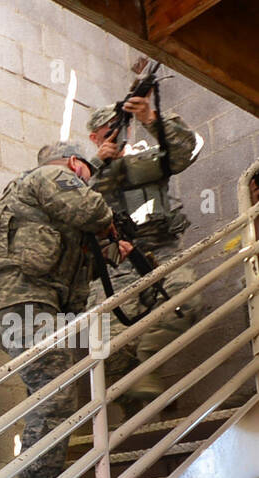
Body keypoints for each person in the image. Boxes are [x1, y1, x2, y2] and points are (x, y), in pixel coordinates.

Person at [0, 142, 130, 478]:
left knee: (49, 386)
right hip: (19, 300)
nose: (88, 183)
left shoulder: (46, 208)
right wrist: (108, 221)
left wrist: (107, 251)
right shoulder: (52, 176)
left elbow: (72, 270)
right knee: (57, 385)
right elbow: (89, 208)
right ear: (76, 163)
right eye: (87, 174)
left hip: (19, 303)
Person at [86, 95, 202, 414]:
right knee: (112, 346)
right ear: (94, 137)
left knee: (187, 301)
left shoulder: (147, 160)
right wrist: (98, 164)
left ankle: (147, 363)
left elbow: (184, 151)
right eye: (106, 130)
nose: (115, 133)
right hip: (114, 264)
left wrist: (151, 118)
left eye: (119, 127)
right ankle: (134, 405)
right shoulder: (87, 173)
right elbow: (67, 203)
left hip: (160, 251)